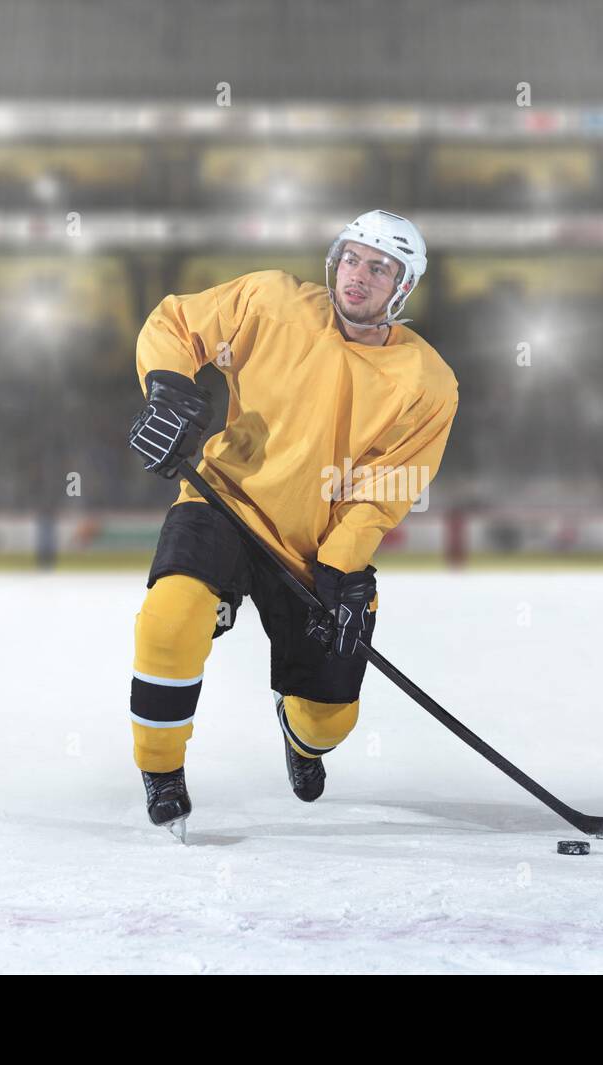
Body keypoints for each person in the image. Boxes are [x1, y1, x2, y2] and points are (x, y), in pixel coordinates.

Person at [126, 210, 459, 839]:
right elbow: (176, 323)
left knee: (330, 720)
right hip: (226, 501)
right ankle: (162, 774)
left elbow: (391, 486)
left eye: (379, 268)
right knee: (170, 621)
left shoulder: (428, 382)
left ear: (403, 287)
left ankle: (300, 737)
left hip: (315, 548)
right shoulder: (271, 300)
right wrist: (167, 388)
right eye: (353, 259)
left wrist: (341, 564)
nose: (359, 277)